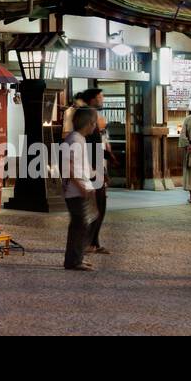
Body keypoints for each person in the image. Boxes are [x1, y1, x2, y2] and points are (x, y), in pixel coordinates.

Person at [62, 107, 98, 271]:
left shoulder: (78, 139)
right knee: (79, 225)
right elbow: (67, 166)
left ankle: (77, 257)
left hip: (82, 187)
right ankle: (73, 261)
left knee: (84, 224)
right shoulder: (74, 140)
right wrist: (80, 186)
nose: (95, 126)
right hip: (76, 190)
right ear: (89, 123)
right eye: (94, 123)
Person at [79, 89, 111, 256]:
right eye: (100, 96)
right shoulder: (87, 113)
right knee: (96, 206)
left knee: (99, 205)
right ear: (92, 99)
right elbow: (89, 144)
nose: (103, 99)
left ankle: (94, 241)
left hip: (96, 165)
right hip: (91, 167)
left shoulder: (91, 113)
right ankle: (88, 243)